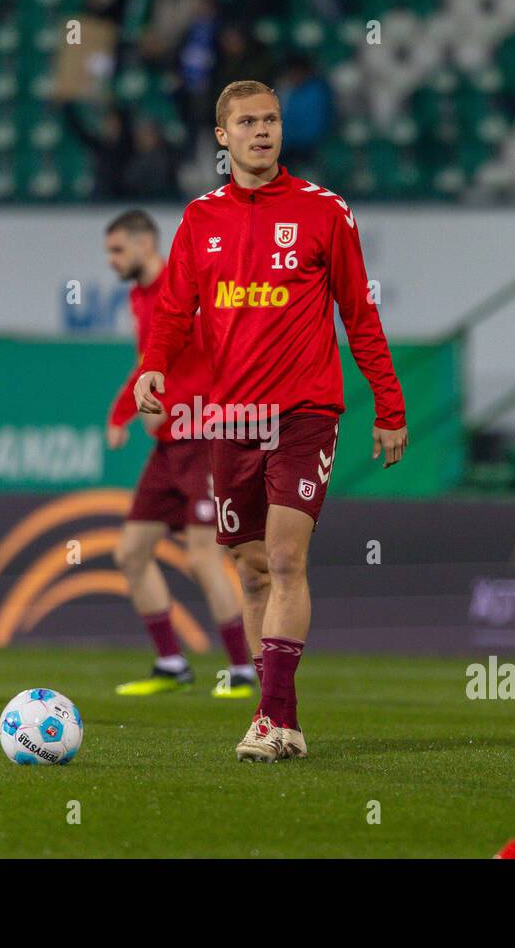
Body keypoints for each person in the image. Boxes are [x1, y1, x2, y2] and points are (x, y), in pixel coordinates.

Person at [133, 81, 408, 761]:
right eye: (247, 122)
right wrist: (153, 366)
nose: (263, 131)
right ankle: (274, 715)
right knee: (250, 569)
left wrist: (389, 404)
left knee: (286, 558)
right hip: (229, 420)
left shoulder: (324, 212)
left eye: (272, 120)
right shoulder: (200, 219)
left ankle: (275, 716)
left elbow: (359, 315)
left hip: (304, 412)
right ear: (222, 138)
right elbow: (173, 309)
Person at [104, 210, 255, 698]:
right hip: (169, 446)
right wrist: (122, 412)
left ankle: (243, 669)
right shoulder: (139, 296)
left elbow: (220, 351)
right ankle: (171, 662)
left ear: (147, 244)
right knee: (130, 552)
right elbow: (147, 361)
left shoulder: (185, 288)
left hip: (205, 437)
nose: (112, 261)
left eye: (117, 250)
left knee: (204, 557)